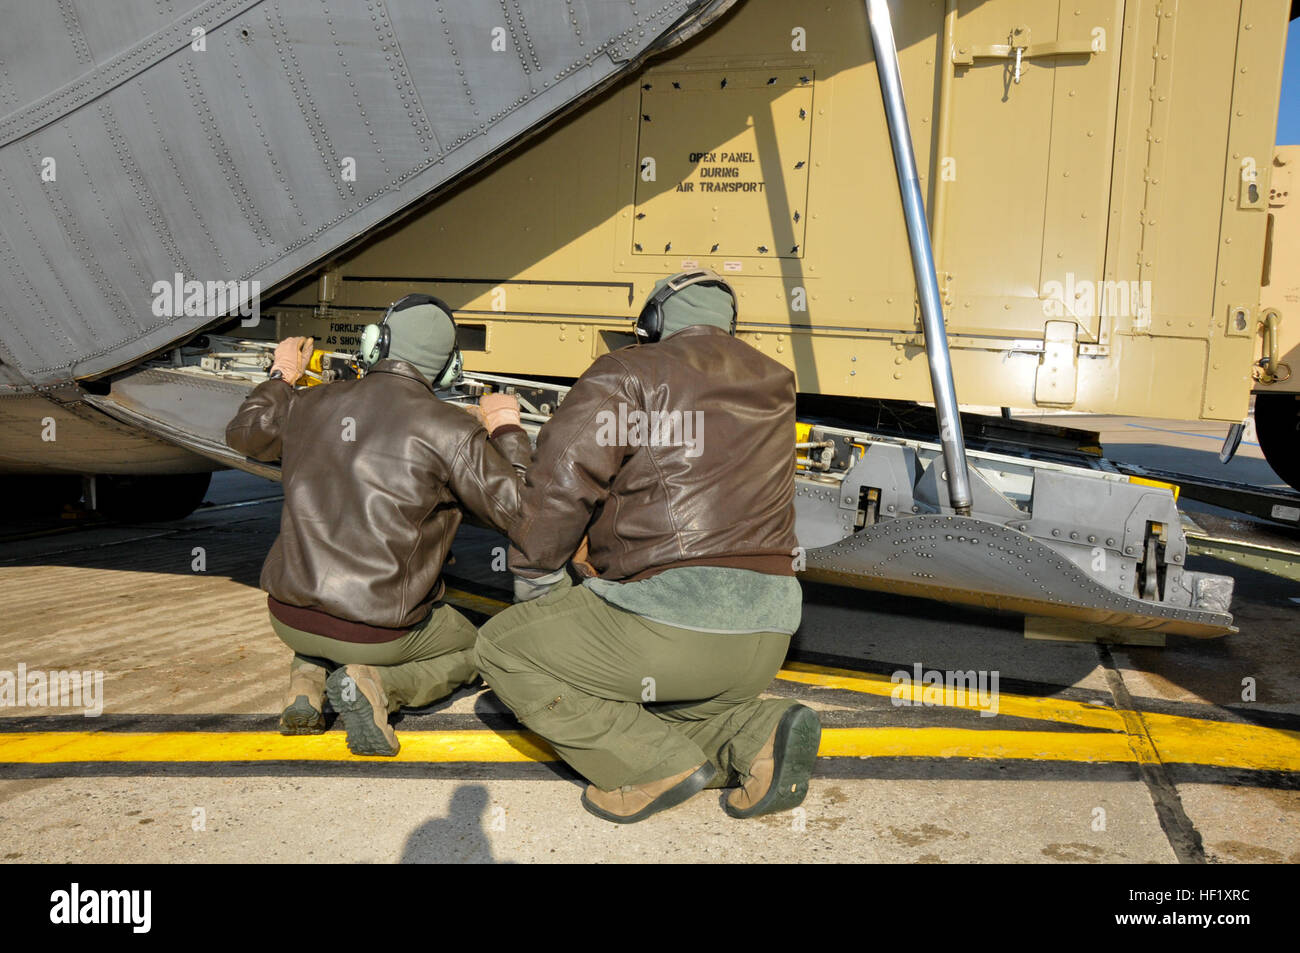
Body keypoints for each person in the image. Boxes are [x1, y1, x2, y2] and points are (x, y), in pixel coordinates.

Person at [475, 270, 820, 823]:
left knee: (505, 648)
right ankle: (755, 732)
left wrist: (537, 576)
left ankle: (649, 767)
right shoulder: (775, 380)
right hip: (770, 629)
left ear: (652, 322)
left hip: (672, 620)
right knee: (669, 704)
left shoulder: (628, 371)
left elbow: (562, 480)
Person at [226, 294, 529, 756]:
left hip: (287, 615)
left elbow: (246, 434)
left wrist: (281, 375)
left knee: (327, 626)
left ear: (375, 344)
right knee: (481, 647)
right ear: (450, 369)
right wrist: (506, 429)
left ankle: (306, 682)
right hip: (379, 633)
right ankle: (379, 686)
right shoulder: (451, 430)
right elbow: (523, 514)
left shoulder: (307, 403)